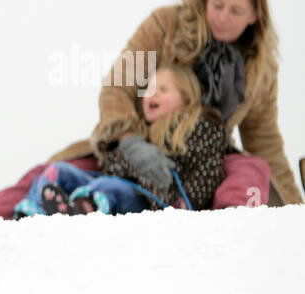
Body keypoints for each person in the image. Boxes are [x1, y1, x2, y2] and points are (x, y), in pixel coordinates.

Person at [0, 0, 300, 223]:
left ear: (255, 16)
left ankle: (232, 224)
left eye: (236, 11)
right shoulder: (167, 25)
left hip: (203, 161)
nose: (222, 16)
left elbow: (264, 139)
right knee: (51, 171)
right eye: (217, 5)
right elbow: (119, 84)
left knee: (254, 168)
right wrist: (131, 140)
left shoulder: (259, 69)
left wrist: (297, 206)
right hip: (140, 146)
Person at [14, 64, 225, 216]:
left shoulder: (200, 128)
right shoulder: (138, 132)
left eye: (163, 89)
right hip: (114, 184)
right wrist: (129, 149)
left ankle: (81, 210)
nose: (153, 94)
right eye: (150, 89)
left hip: (150, 202)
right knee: (59, 170)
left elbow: (206, 175)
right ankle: (31, 213)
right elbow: (112, 166)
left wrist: (179, 200)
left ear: (187, 98)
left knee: (109, 186)